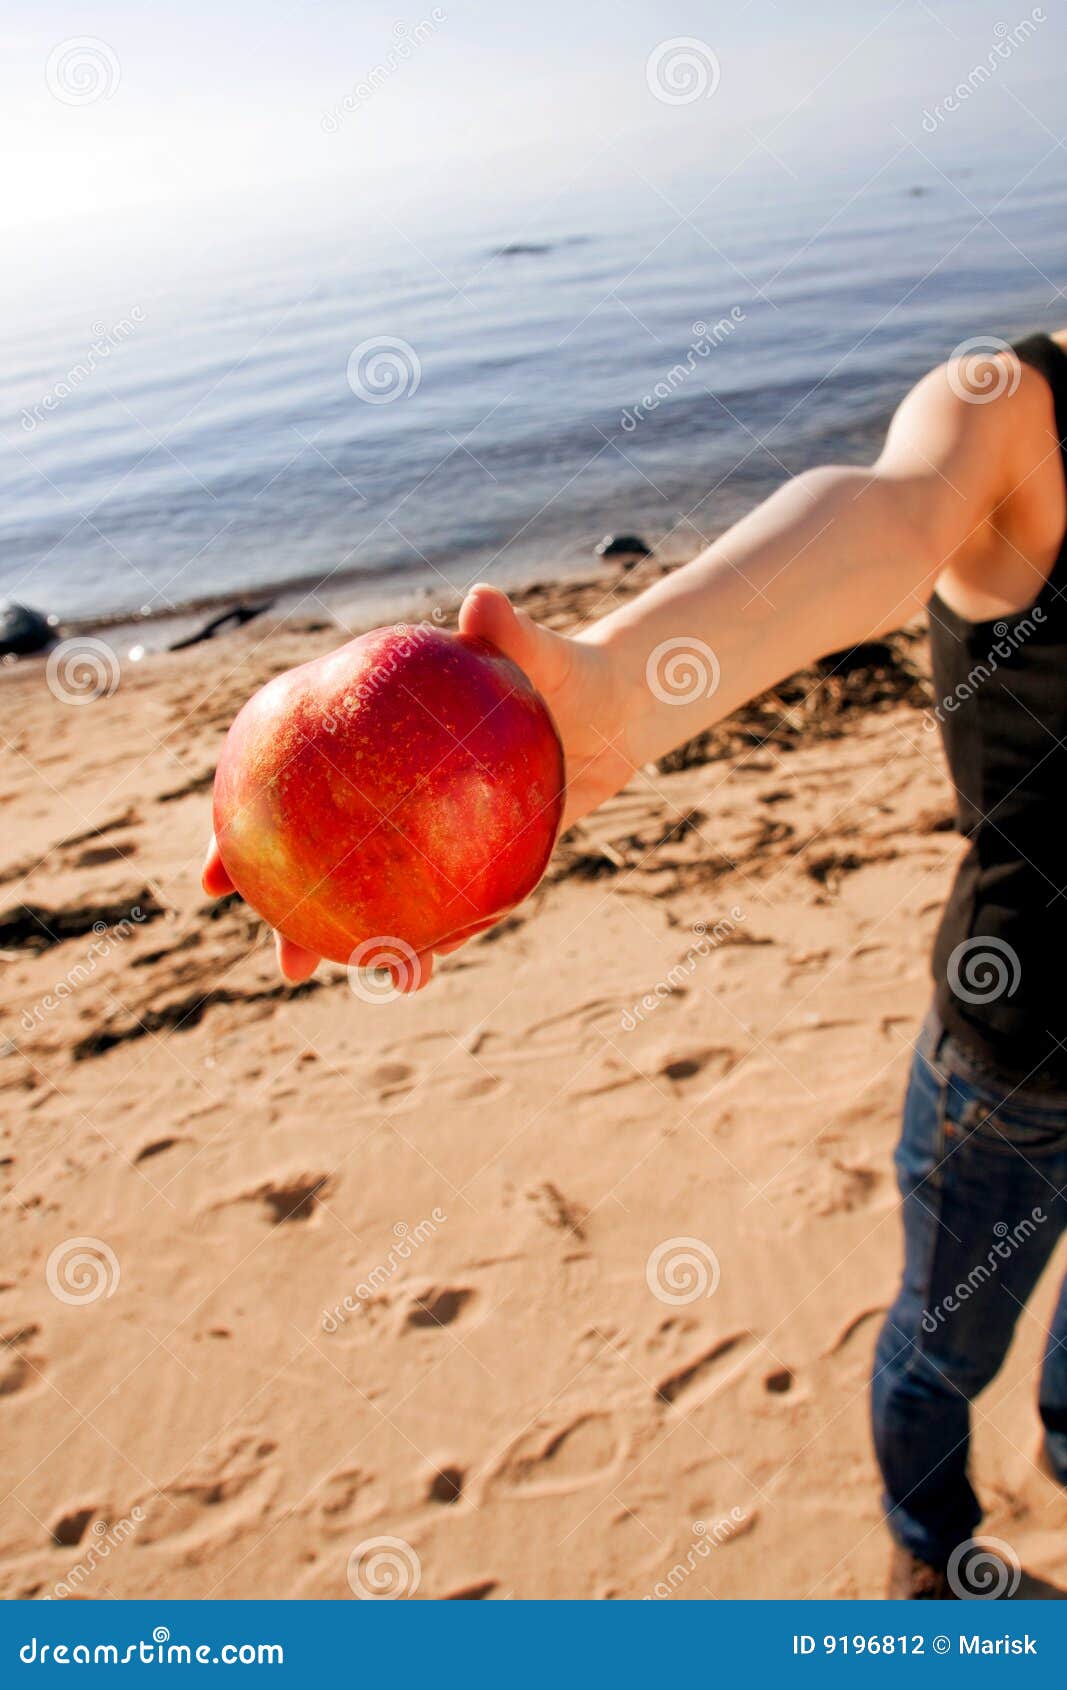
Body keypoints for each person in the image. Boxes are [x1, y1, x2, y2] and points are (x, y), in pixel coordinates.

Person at [203, 331, 1067, 1599]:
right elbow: (881, 530)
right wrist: (615, 692)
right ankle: (927, 1551)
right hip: (1016, 1053)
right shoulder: (1019, 414)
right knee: (942, 1343)